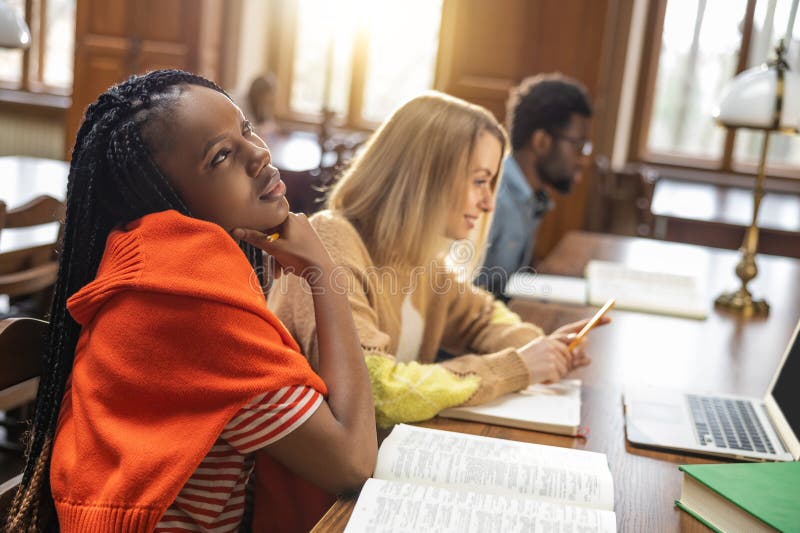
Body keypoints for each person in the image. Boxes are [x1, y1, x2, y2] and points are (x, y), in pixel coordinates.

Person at [5, 69, 376, 532]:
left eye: (246, 130)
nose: (259, 154)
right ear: (169, 199)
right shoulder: (185, 301)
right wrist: (324, 274)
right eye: (220, 156)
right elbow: (353, 462)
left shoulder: (160, 263)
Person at [267, 91, 606, 430]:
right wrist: (517, 366)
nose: (488, 202)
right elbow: (376, 388)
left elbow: (481, 316)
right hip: (327, 481)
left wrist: (540, 348)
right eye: (479, 181)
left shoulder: (418, 256)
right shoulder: (331, 241)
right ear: (426, 175)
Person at [479, 73, 593, 298]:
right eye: (579, 146)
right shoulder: (492, 200)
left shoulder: (529, 197)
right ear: (541, 142)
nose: (584, 159)